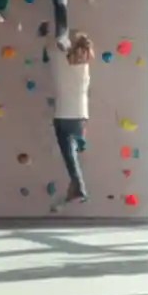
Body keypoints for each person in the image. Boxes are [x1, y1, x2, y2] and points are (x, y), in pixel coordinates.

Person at [50, 32, 93, 212]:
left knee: (70, 157)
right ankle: (76, 187)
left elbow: (55, 47)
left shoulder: (61, 61)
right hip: (81, 116)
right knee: (72, 154)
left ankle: (78, 187)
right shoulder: (85, 69)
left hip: (64, 115)